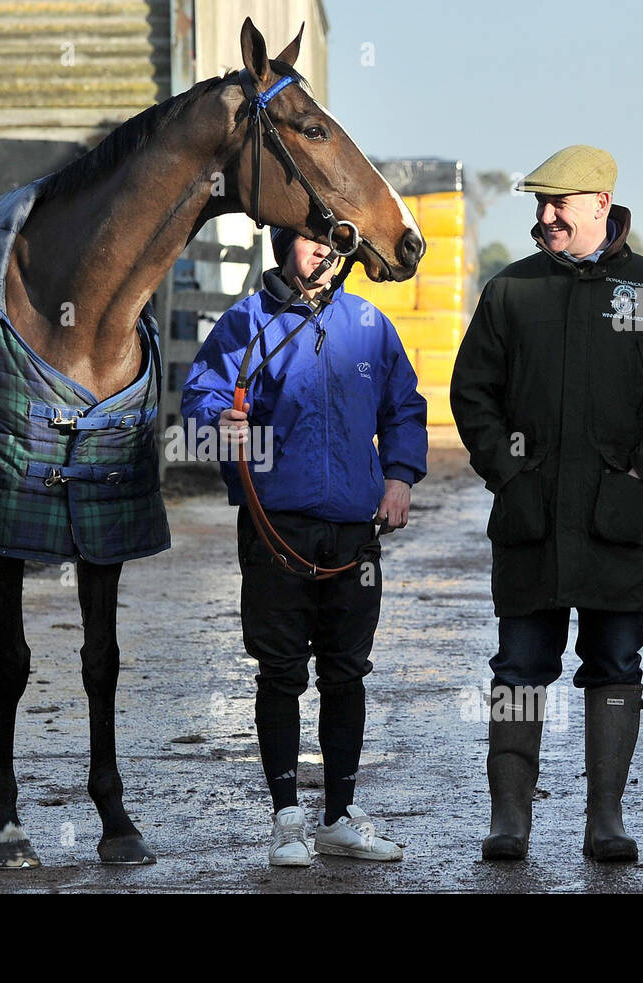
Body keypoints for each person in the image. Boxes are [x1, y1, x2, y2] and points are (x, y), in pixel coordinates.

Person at [450, 145, 643, 862]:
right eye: (539, 203)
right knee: (517, 668)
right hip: (530, 518)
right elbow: (470, 390)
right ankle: (510, 821)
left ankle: (606, 819)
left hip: (617, 520)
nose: (545, 216)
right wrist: (507, 470)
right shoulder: (511, 291)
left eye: (559, 203)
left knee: (616, 664)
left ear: (601, 203)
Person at [182, 228, 428, 866]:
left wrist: (399, 478)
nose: (322, 252)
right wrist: (218, 423)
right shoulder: (245, 322)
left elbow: (404, 407)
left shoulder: (370, 323)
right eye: (308, 240)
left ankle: (340, 817)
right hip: (275, 527)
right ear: (283, 248)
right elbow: (201, 401)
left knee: (347, 673)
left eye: (331, 242)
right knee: (282, 672)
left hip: (354, 530)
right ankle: (287, 820)